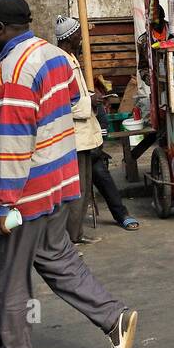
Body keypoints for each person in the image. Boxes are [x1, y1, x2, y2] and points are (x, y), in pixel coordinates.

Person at [0, 0, 137, 348]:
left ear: (1, 28)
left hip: (24, 194)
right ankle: (113, 317)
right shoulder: (54, 56)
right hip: (58, 182)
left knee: (7, 279)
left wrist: (1, 206)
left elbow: (15, 144)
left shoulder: (12, 72)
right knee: (57, 259)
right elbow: (74, 104)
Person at [55, 14, 108, 246]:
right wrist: (91, 101)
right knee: (77, 189)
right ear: (70, 37)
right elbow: (70, 103)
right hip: (74, 136)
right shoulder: (63, 61)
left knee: (84, 188)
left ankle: (75, 234)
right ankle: (71, 238)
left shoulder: (70, 58)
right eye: (79, 34)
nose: (81, 38)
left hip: (83, 137)